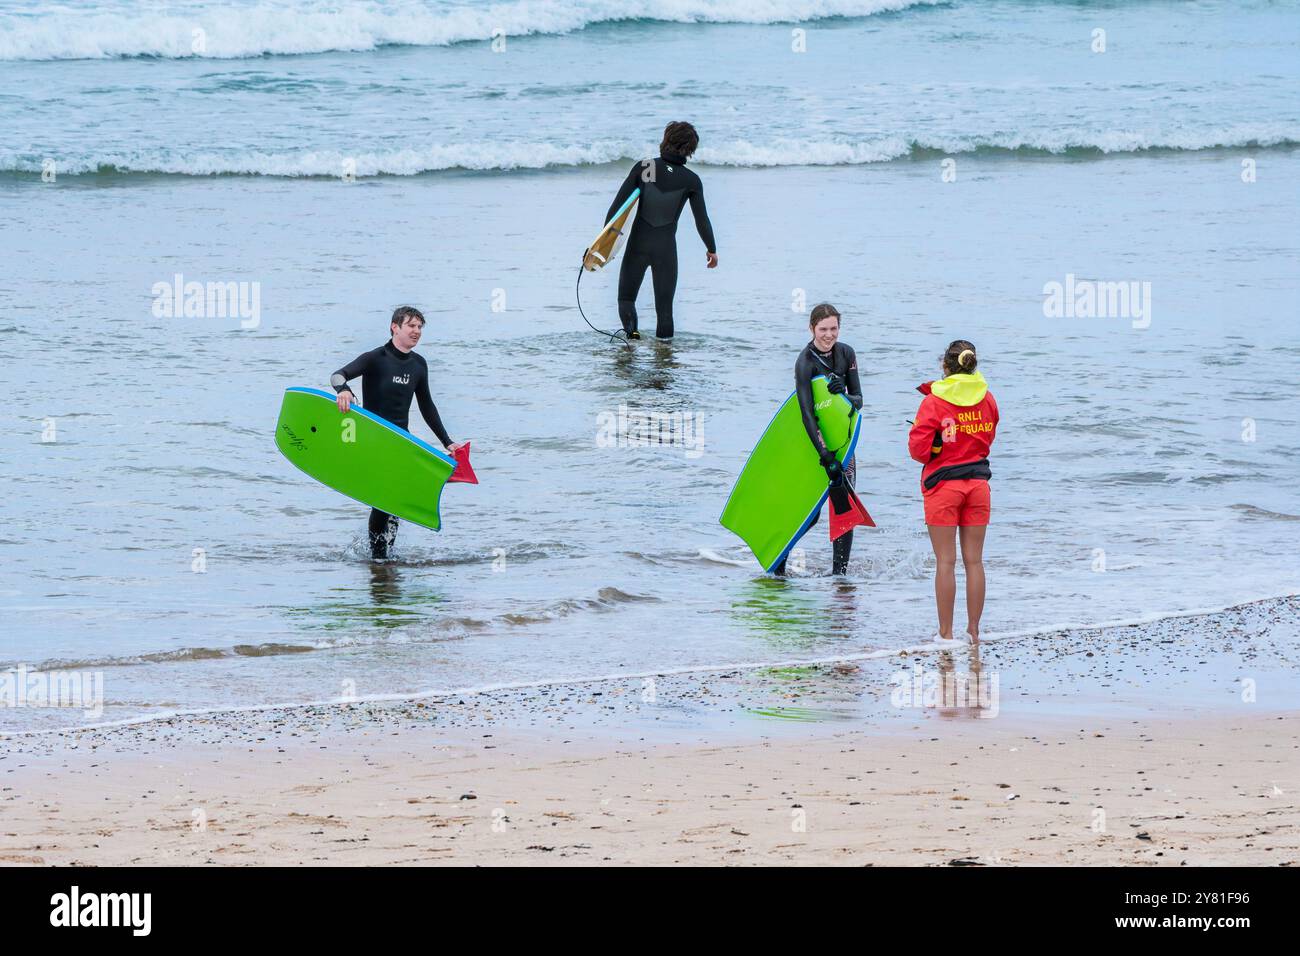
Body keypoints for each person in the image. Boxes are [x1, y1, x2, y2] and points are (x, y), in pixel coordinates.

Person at [330, 306, 467, 559]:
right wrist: (344, 391)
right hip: (375, 441)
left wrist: (447, 442)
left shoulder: (418, 365)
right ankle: (379, 558)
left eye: (419, 327)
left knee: (394, 504)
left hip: (401, 443)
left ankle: (384, 558)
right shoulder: (375, 358)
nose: (416, 331)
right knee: (384, 500)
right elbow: (338, 375)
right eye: (411, 326)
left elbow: (427, 406)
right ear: (395, 327)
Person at [907, 340, 998, 642]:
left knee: (946, 562)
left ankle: (945, 634)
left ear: (945, 367)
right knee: (975, 561)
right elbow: (988, 436)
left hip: (944, 486)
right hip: (978, 484)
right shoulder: (988, 399)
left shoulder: (933, 402)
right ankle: (974, 631)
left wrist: (937, 443)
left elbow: (918, 451)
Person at [605, 120, 718, 339]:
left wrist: (605, 242)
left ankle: (632, 340)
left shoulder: (647, 168)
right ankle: (664, 359)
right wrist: (711, 248)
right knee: (665, 311)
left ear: (666, 140)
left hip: (638, 245)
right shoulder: (691, 180)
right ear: (690, 149)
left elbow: (617, 210)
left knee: (626, 300)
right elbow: (701, 219)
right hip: (665, 251)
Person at [774, 302, 863, 576]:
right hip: (814, 446)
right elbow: (806, 414)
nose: (829, 334)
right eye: (823, 329)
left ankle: (840, 576)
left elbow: (858, 402)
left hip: (844, 445)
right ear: (812, 328)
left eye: (833, 328)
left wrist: (843, 394)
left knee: (844, 510)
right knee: (810, 515)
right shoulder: (805, 362)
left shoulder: (847, 353)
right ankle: (779, 564)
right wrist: (823, 454)